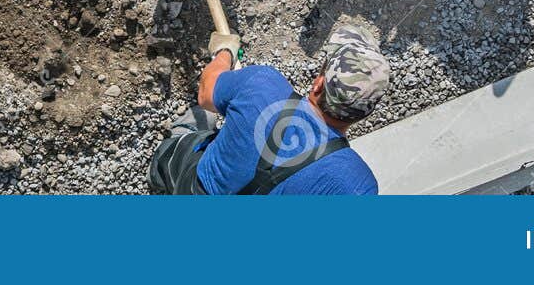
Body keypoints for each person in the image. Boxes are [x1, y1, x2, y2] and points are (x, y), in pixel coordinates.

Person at [148, 23, 389, 195]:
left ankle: (158, 177)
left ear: (318, 84)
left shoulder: (263, 85)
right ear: (365, 113)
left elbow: (205, 94)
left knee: (196, 123)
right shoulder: (358, 186)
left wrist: (224, 53)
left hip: (195, 190)